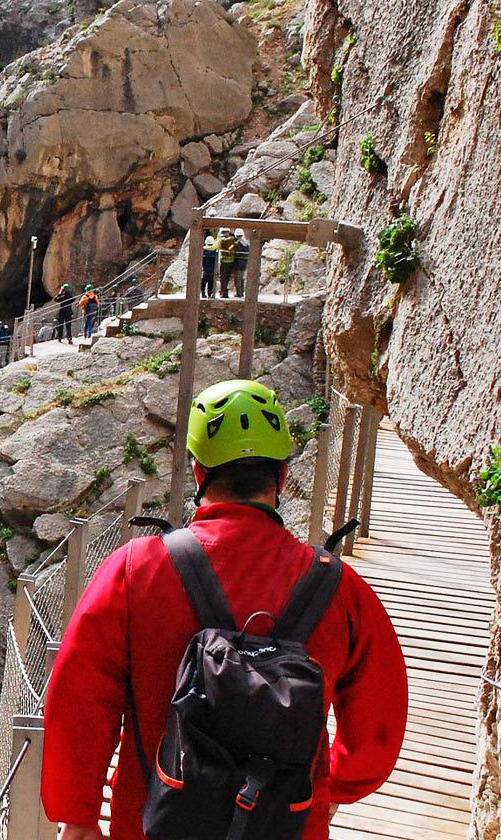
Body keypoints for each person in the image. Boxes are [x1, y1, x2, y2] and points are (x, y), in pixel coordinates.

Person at [40, 379, 408, 840]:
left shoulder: (135, 571)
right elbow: (380, 725)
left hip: (152, 822)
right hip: (288, 823)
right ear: (282, 477)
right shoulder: (340, 588)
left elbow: (78, 703)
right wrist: (333, 788)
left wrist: (77, 816)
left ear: (198, 472)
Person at [216, 227, 236, 298]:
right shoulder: (232, 239)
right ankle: (224, 291)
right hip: (231, 260)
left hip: (224, 261)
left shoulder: (221, 240)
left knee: (223, 277)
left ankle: (223, 292)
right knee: (227, 277)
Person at [202, 231, 220, 298]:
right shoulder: (215, 250)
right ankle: (209, 294)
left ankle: (203, 293)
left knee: (204, 281)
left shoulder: (203, 249)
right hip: (212, 269)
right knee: (211, 282)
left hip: (205, 268)